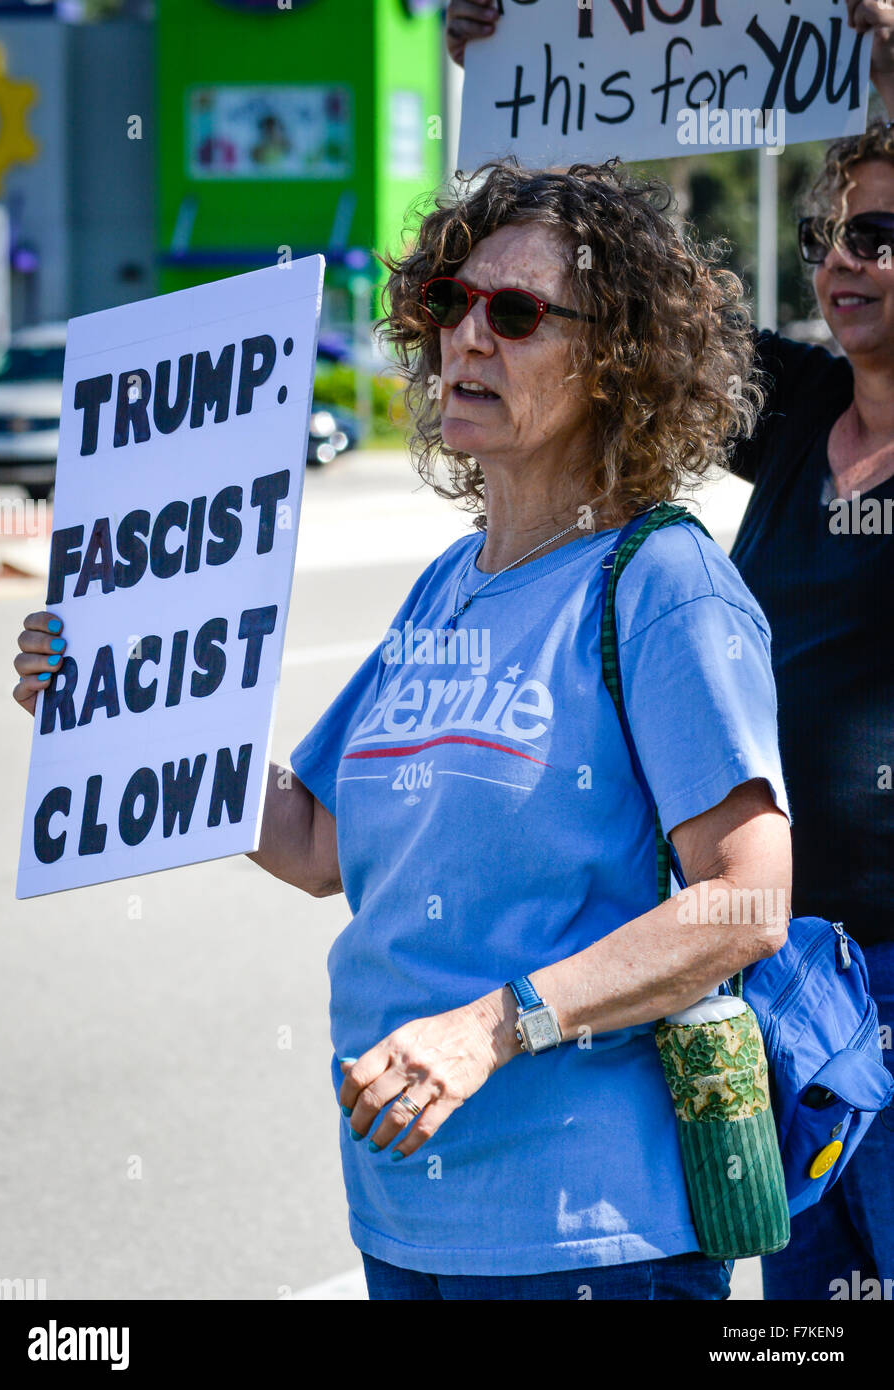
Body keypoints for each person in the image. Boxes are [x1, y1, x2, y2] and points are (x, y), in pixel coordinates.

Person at [13, 156, 792, 1301]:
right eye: (449, 303)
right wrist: (121, 704)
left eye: (516, 314)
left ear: (619, 360)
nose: (466, 339)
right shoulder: (444, 585)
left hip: (586, 1238)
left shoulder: (663, 582)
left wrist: (494, 1026)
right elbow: (316, 845)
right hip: (408, 1215)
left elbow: (744, 900)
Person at [445, 0, 894, 1304]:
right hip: (787, 967)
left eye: (879, 235)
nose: (841, 263)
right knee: (806, 1292)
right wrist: (545, 97)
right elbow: (637, 299)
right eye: (828, 237)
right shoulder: (808, 407)